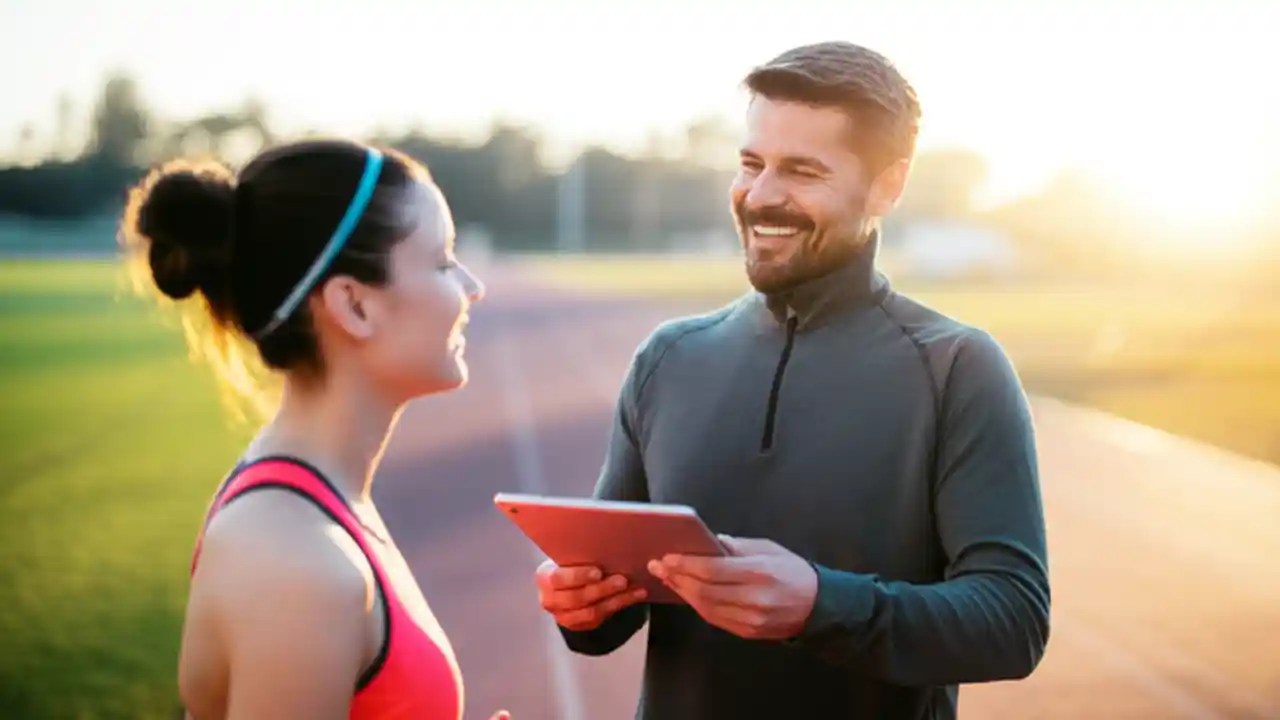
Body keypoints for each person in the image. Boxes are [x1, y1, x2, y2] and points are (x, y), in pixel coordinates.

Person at [533, 41, 1050, 719]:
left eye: (802, 171)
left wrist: (820, 603)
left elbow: (1012, 620)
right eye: (752, 164)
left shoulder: (956, 367)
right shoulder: (668, 359)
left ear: (887, 186)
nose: (762, 196)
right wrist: (581, 604)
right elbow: (606, 621)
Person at [121, 139, 506, 719]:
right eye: (443, 260)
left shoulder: (318, 511)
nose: (471, 287)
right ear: (353, 305)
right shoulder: (296, 562)